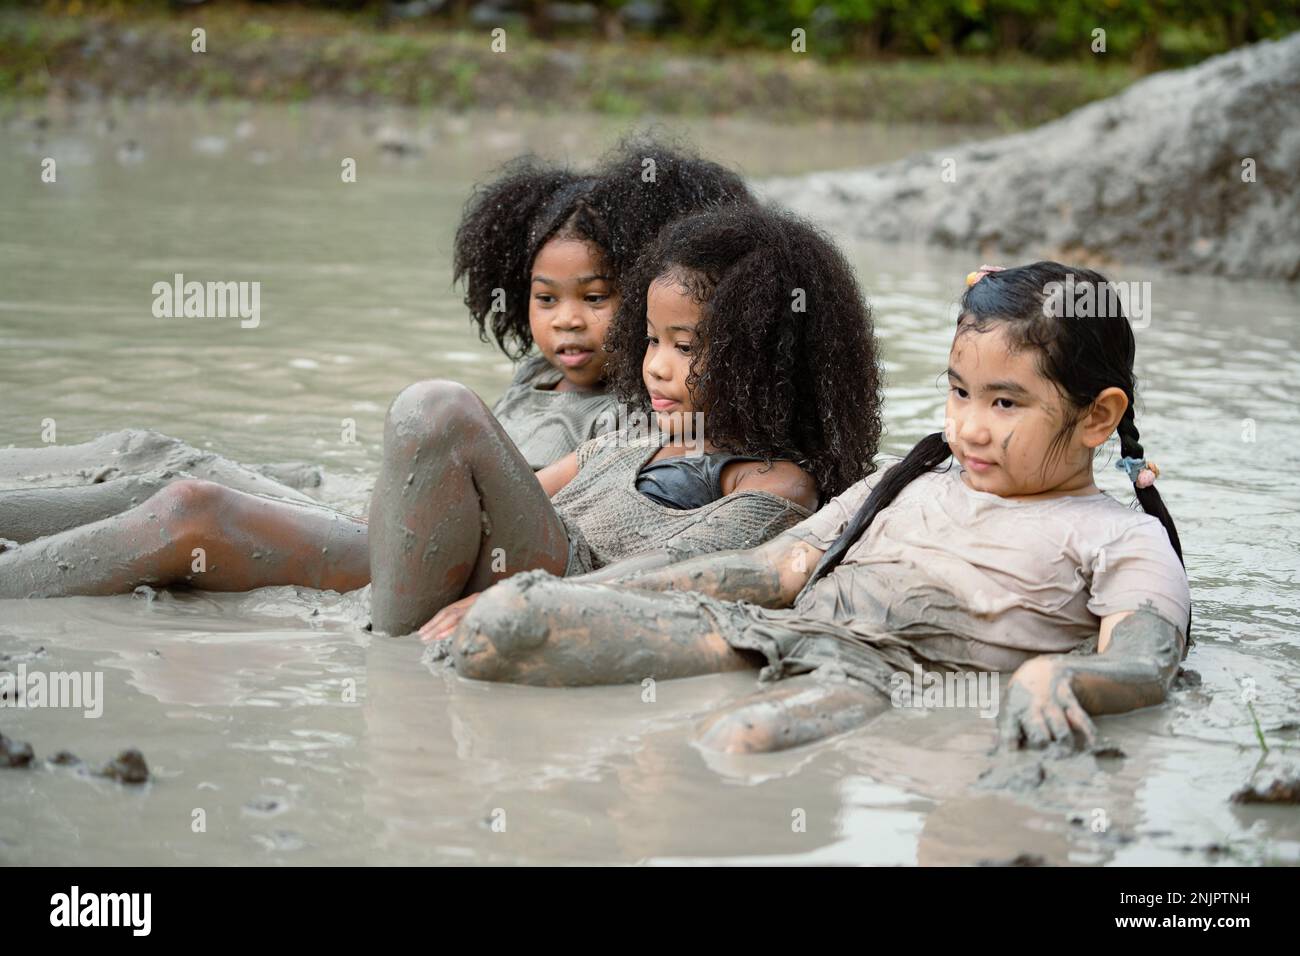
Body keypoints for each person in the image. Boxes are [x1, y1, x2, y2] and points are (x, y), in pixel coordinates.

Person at [443, 262, 1191, 757]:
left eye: (1006, 402)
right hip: (769, 633)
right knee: (505, 626)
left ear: (1098, 418)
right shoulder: (908, 481)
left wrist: (1060, 679)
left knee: (734, 742)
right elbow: (773, 567)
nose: (969, 425)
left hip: (888, 676)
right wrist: (577, 592)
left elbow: (1143, 663)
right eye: (960, 392)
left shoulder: (1121, 539)